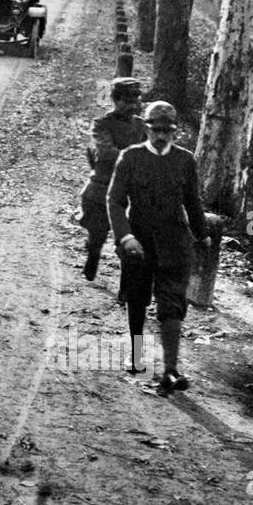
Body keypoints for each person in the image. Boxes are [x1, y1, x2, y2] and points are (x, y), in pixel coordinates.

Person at [107, 101, 209, 393]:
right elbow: (115, 201)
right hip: (138, 243)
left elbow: (193, 201)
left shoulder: (185, 160)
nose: (161, 135)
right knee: (137, 300)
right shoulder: (130, 158)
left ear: (175, 131)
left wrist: (202, 236)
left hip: (175, 243)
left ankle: (171, 370)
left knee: (172, 305)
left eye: (168, 130)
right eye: (156, 129)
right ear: (147, 128)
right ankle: (137, 356)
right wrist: (125, 237)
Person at [79, 77, 147, 281]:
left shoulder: (143, 126)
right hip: (103, 187)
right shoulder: (102, 124)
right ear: (115, 100)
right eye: (126, 101)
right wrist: (136, 159)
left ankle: (126, 291)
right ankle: (93, 255)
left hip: (131, 191)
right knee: (96, 236)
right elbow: (106, 152)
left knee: (129, 243)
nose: (131, 106)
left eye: (135, 101)